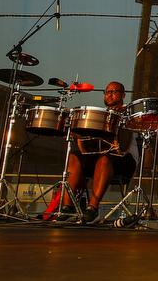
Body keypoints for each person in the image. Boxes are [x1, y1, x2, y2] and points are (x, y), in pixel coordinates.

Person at [60, 81, 137, 223]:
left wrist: (121, 114)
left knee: (104, 159)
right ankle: (67, 207)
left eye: (114, 91)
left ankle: (92, 209)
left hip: (124, 159)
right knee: (74, 158)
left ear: (123, 95)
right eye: (107, 91)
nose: (109, 94)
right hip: (98, 156)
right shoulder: (101, 116)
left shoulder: (129, 112)